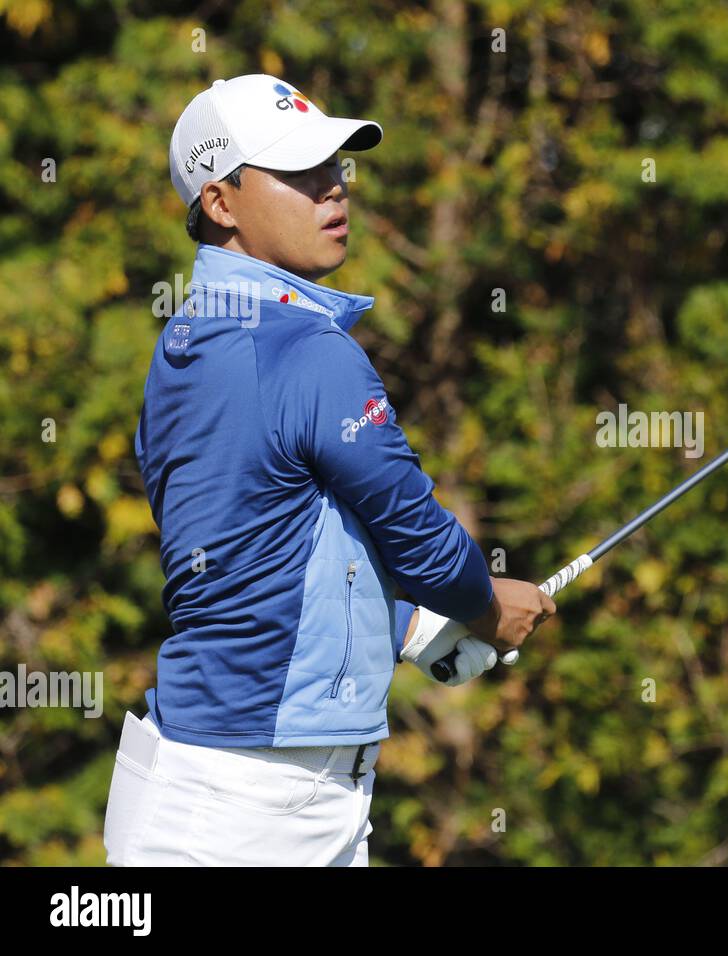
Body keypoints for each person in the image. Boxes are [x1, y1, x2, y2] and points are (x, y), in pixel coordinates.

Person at [102, 74, 555, 866]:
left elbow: (262, 553)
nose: (335, 187)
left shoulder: (183, 348)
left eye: (336, 167)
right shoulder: (307, 350)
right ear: (221, 202)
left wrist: (407, 627)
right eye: (301, 172)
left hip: (238, 789)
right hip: (242, 810)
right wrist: (485, 608)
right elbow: (416, 536)